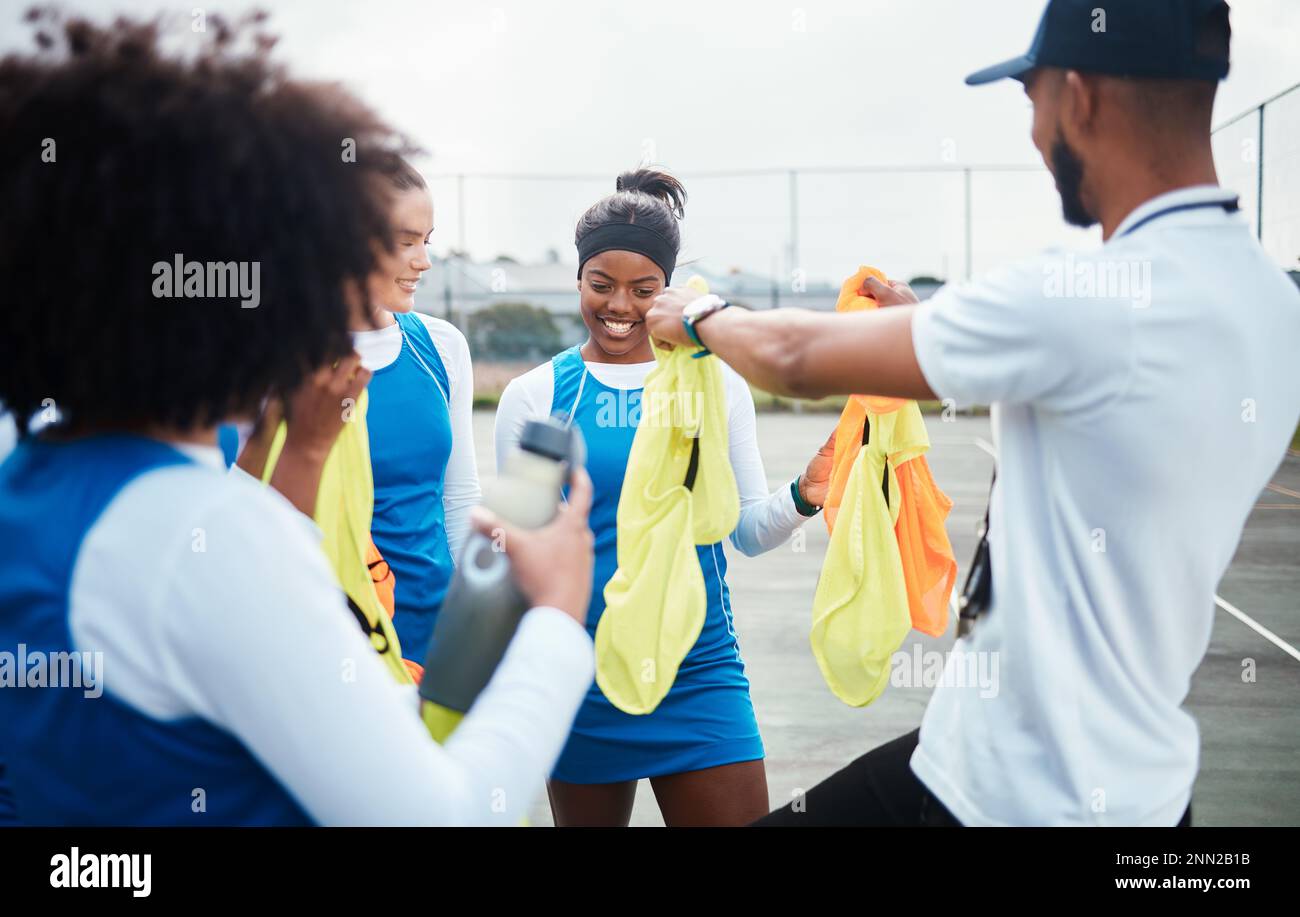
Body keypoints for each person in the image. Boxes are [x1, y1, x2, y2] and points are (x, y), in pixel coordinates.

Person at [646, 0, 1300, 826]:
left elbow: (793, 358)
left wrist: (699, 316)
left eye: (1032, 99)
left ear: (1082, 95)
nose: (1033, 135)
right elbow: (1101, 395)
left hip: (1010, 789)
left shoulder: (1078, 298)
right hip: (1129, 781)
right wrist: (933, 322)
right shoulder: (1272, 309)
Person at [0, 11, 593, 826]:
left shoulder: (29, 483)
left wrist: (305, 455)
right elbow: (435, 817)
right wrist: (558, 620)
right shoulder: (201, 533)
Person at [495, 169, 835, 826]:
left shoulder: (718, 386)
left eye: (643, 289)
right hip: (582, 675)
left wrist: (803, 494)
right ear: (578, 280)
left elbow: (742, 532)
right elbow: (518, 553)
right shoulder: (536, 396)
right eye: (601, 284)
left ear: (669, 290)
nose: (620, 305)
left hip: (700, 667)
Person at [241, 158, 481, 667]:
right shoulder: (275, 361)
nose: (424, 261)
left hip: (434, 638)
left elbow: (457, 497)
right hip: (320, 644)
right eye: (405, 241)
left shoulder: (442, 346)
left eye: (428, 240)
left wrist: (472, 621)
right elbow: (244, 507)